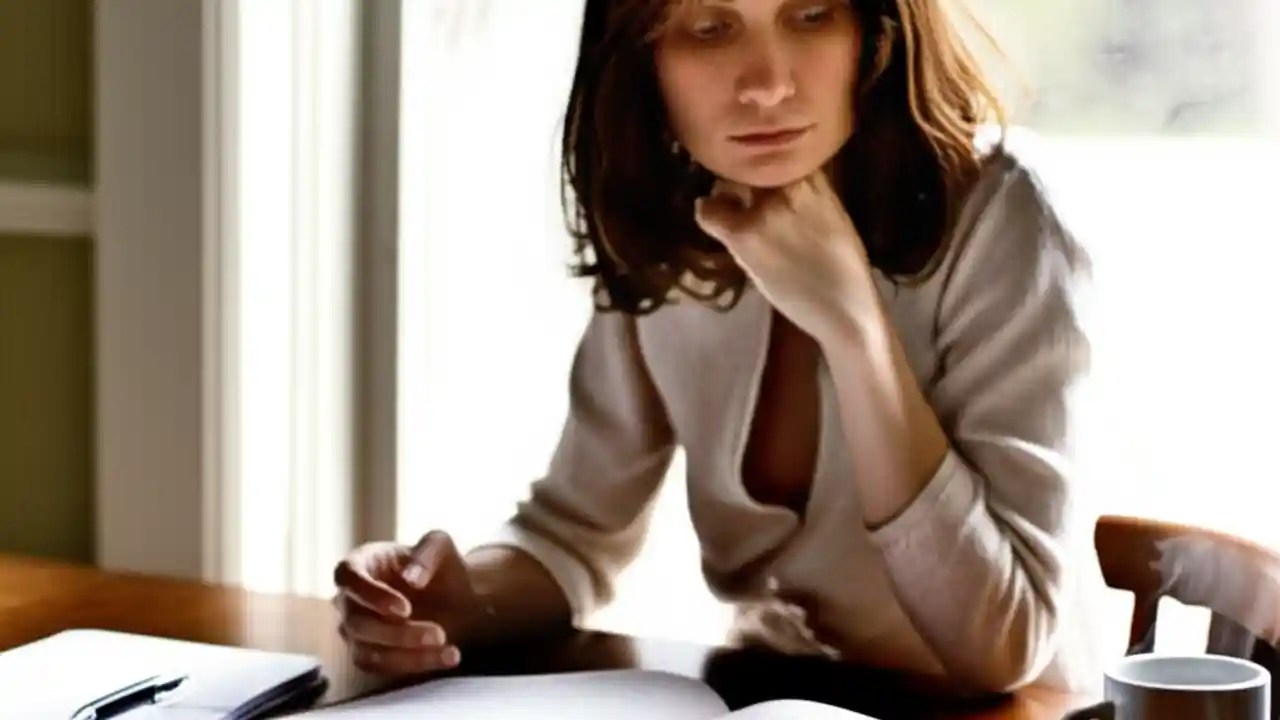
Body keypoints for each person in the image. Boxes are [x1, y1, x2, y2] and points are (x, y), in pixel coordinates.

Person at [333, 0, 1099, 695]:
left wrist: (854, 331)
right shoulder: (673, 223)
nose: (767, 84)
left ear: (875, 35)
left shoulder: (1004, 219)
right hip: (763, 701)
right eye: (710, 26)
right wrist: (456, 598)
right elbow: (574, 531)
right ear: (642, 58)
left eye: (811, 16)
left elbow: (1004, 648)